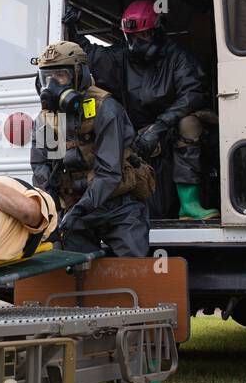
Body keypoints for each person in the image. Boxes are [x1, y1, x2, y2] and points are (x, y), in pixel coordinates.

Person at [64, 0, 217, 221]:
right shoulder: (121, 56)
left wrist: (160, 126)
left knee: (189, 124)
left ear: (157, 32)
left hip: (171, 128)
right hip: (137, 134)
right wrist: (73, 31)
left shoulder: (177, 57)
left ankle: (189, 204)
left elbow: (192, 94)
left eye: (143, 36)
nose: (136, 44)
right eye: (131, 38)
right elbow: (91, 55)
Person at [29, 40, 154, 259]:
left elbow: (109, 174)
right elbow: (44, 168)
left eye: (60, 76)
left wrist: (78, 210)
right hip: (76, 208)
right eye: (47, 77)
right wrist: (53, 214)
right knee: (72, 274)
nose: (52, 84)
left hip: (119, 206)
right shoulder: (47, 119)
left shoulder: (105, 109)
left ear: (79, 76)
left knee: (135, 273)